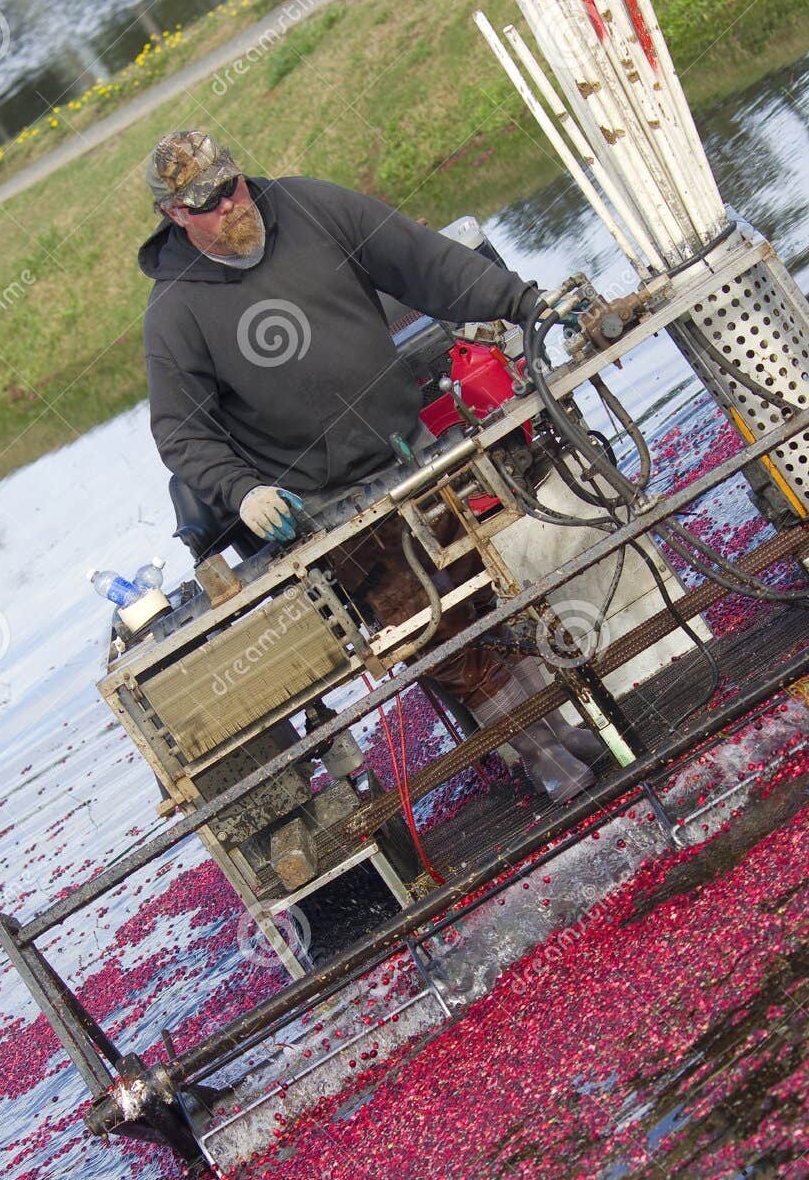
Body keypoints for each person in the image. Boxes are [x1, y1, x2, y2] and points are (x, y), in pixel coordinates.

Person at [138, 130, 603, 800]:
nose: (231, 205)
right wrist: (243, 494)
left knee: (486, 596)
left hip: (411, 457)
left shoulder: (311, 207)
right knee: (433, 629)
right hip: (329, 513)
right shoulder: (175, 312)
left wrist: (524, 302)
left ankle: (557, 728)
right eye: (207, 202)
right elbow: (180, 434)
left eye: (233, 185)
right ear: (175, 216)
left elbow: (425, 264)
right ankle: (540, 757)